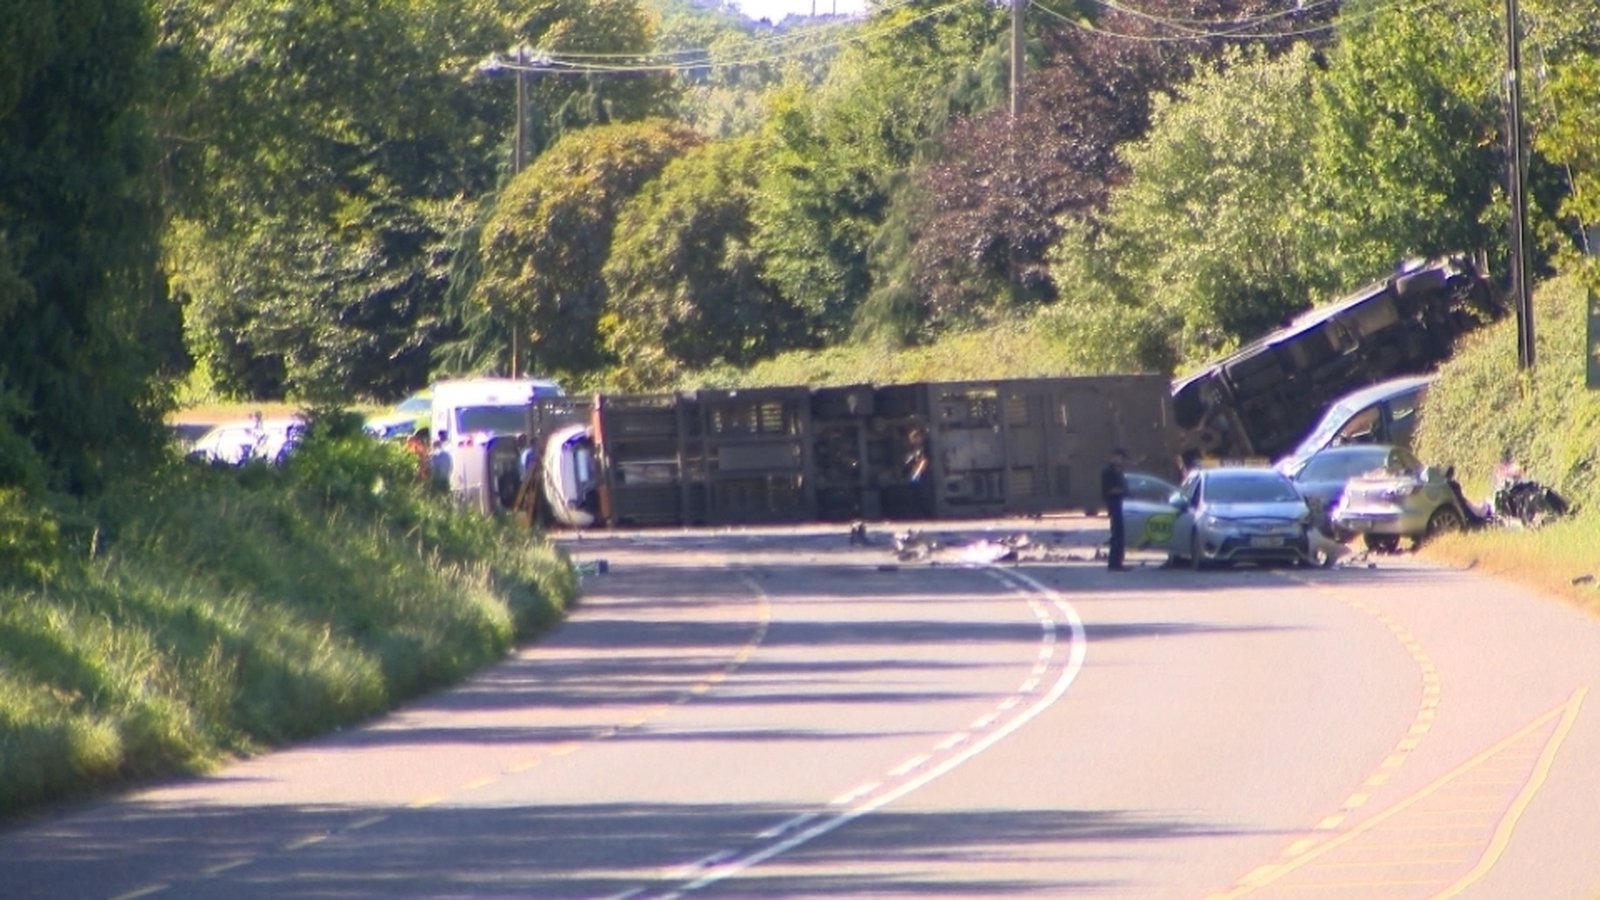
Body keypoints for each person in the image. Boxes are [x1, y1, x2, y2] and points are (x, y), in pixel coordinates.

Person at [1101, 448, 1130, 571]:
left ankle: (1118, 562)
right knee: (1116, 535)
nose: (1121, 461)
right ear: (1114, 457)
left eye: (1123, 459)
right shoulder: (1108, 471)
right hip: (1113, 504)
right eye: (1120, 457)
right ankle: (1114, 563)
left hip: (1119, 504)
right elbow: (1108, 490)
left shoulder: (1118, 471)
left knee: (1120, 534)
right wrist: (1122, 491)